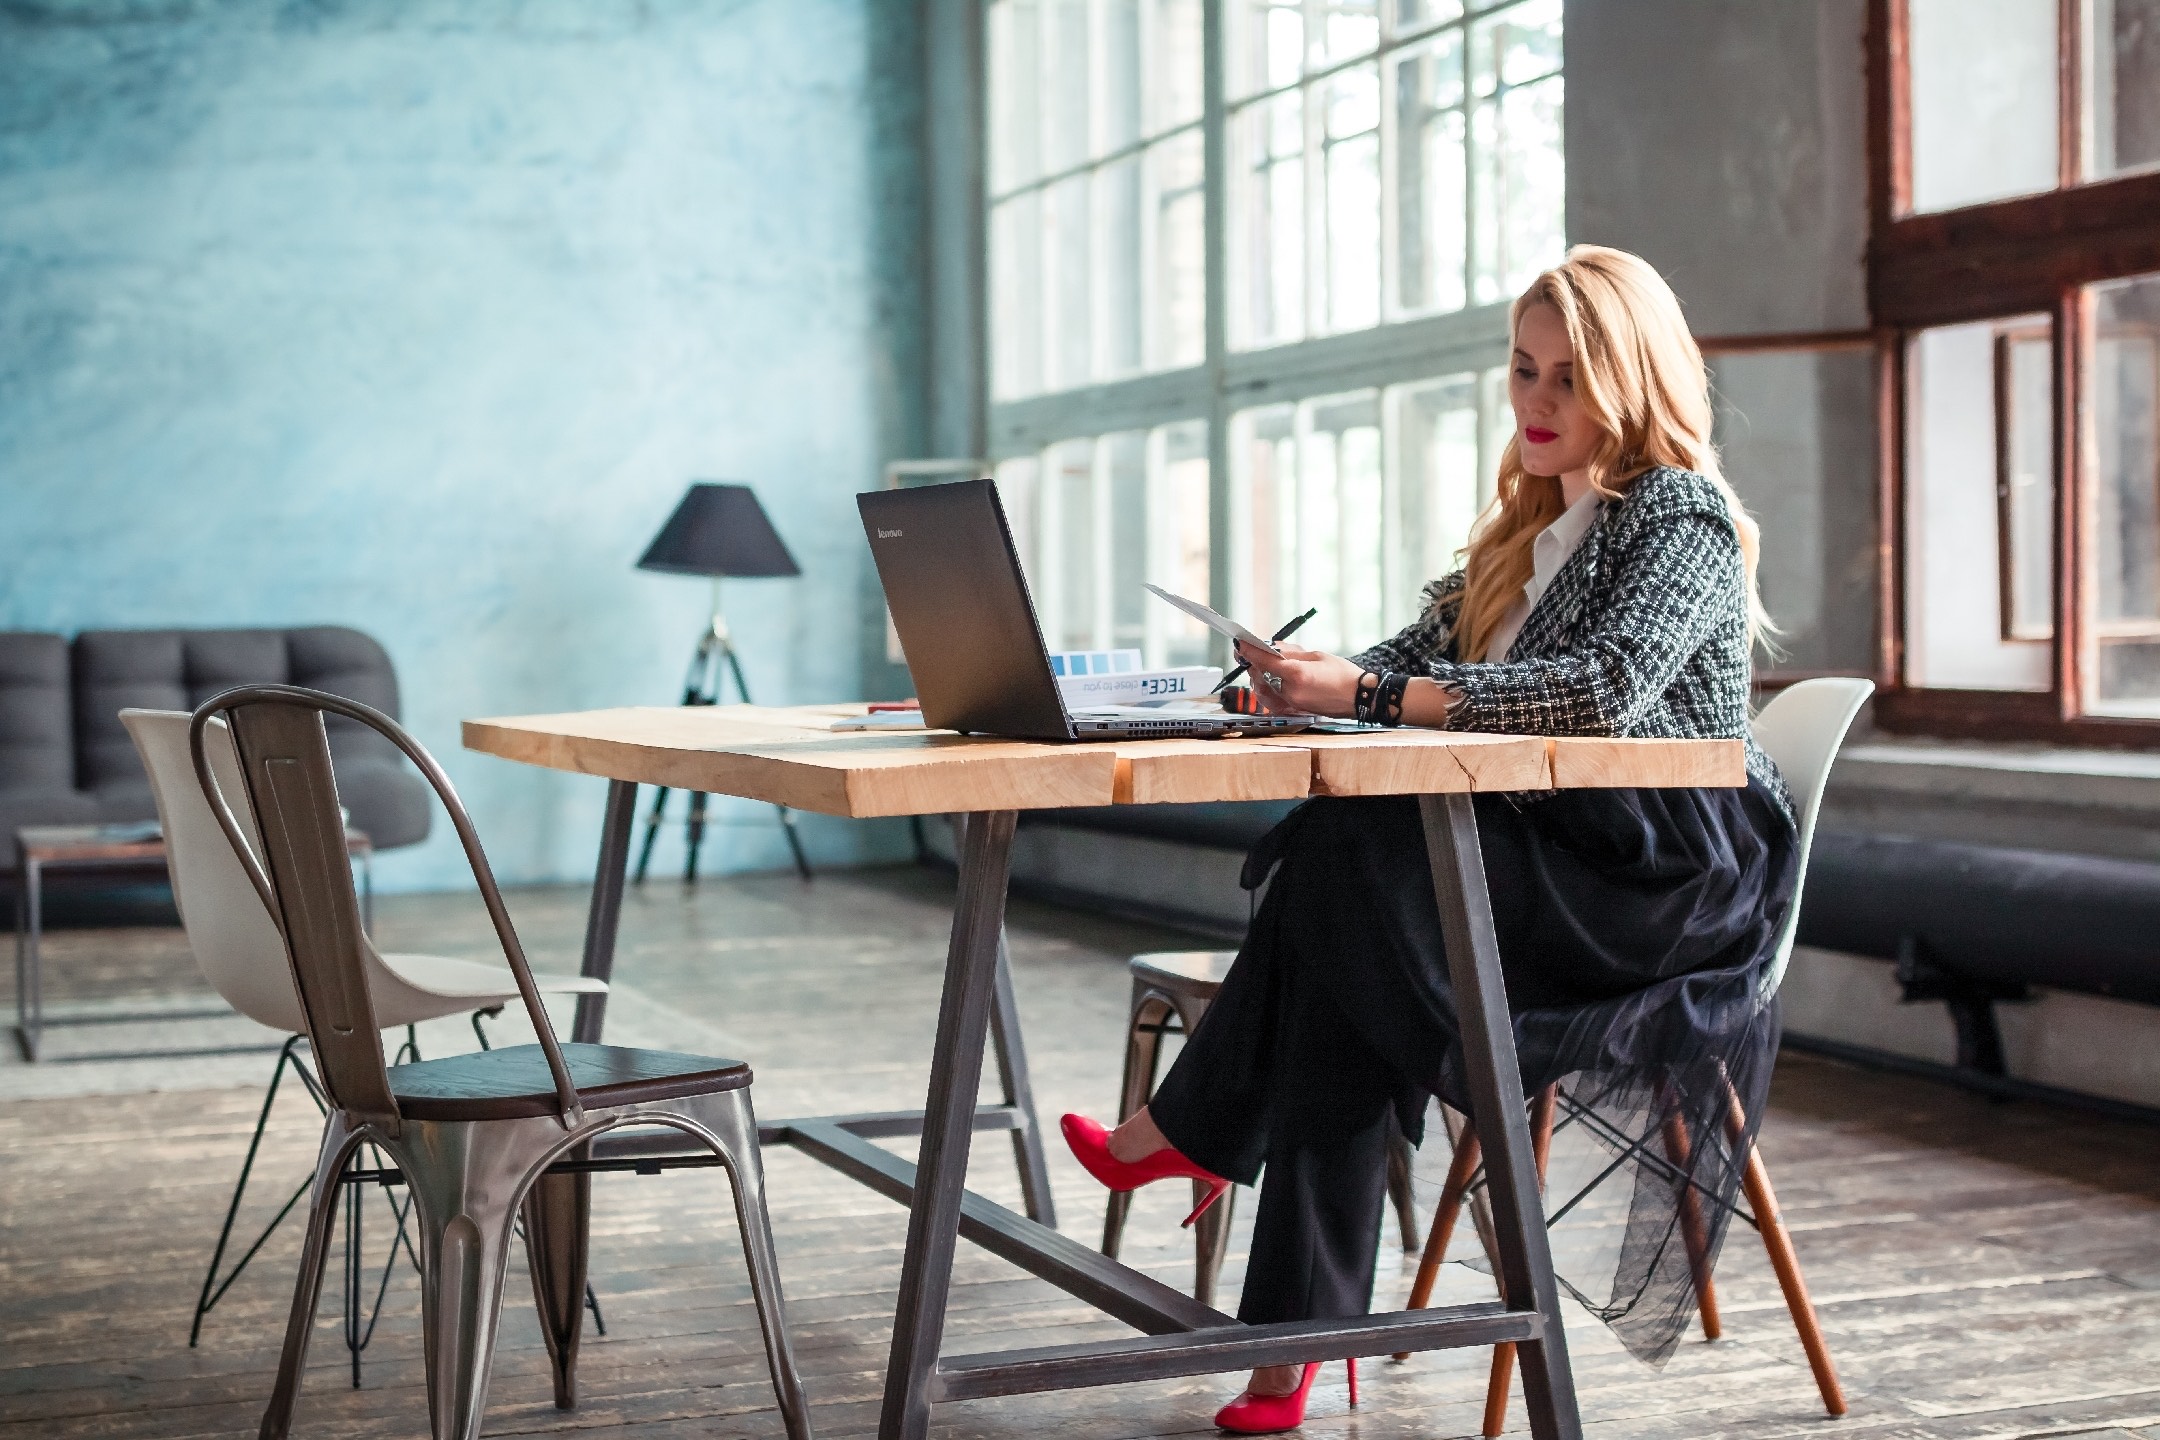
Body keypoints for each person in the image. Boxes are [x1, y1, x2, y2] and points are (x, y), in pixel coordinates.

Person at [1062, 243, 1798, 1435]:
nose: (1540, 403)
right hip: (1538, 857)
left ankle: (1211, 1167)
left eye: (1571, 376)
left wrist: (1363, 694)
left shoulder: (1681, 514)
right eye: (1523, 371)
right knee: (1356, 893)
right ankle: (1285, 1330)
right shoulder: (1520, 532)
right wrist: (1299, 683)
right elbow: (1402, 669)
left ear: (1634, 382)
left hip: (1657, 876)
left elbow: (1600, 692)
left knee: (1355, 871)